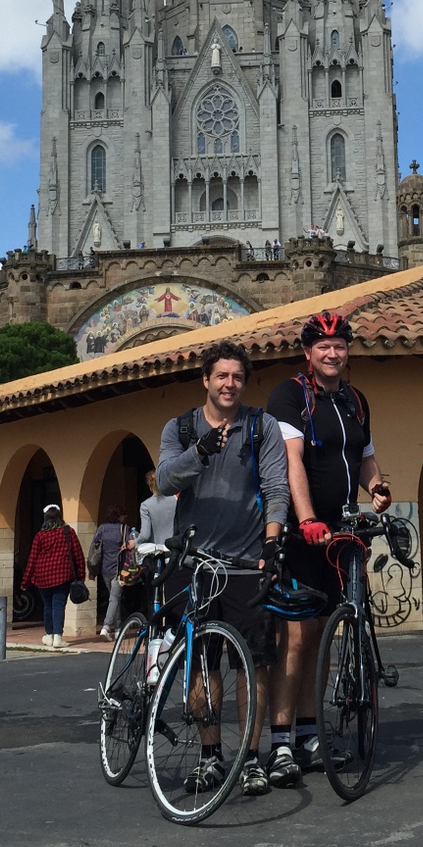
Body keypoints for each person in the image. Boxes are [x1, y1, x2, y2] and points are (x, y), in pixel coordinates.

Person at [156, 339, 291, 798]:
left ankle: (251, 760)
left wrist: (272, 545)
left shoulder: (261, 426)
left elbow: (276, 487)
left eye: (237, 377)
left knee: (253, 667)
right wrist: (201, 451)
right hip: (195, 565)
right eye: (222, 376)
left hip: (247, 564)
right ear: (206, 380)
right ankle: (210, 756)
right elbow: (164, 480)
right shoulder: (180, 428)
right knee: (201, 666)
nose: (229, 384)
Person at [265, 310, 391, 787]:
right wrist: (306, 519)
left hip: (341, 533)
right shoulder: (290, 395)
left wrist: (377, 487)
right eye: (323, 346)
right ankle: (279, 742)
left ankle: (309, 732)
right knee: (294, 637)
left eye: (339, 345)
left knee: (320, 636)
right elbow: (292, 462)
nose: (332, 353)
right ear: (308, 354)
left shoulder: (356, 401)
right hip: (303, 533)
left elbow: (365, 458)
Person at [19, 503, 86, 648]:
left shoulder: (40, 536)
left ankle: (49, 635)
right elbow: (78, 555)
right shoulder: (68, 532)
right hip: (62, 575)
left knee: (48, 606)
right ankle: (58, 637)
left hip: (42, 577)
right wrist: (81, 575)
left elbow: (32, 559)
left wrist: (25, 582)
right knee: (58, 605)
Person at [91, 507, 128, 637]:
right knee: (114, 599)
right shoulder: (123, 529)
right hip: (119, 569)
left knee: (114, 598)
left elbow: (94, 546)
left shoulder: (101, 528)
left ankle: (118, 628)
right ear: (119, 517)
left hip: (105, 569)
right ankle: (106, 627)